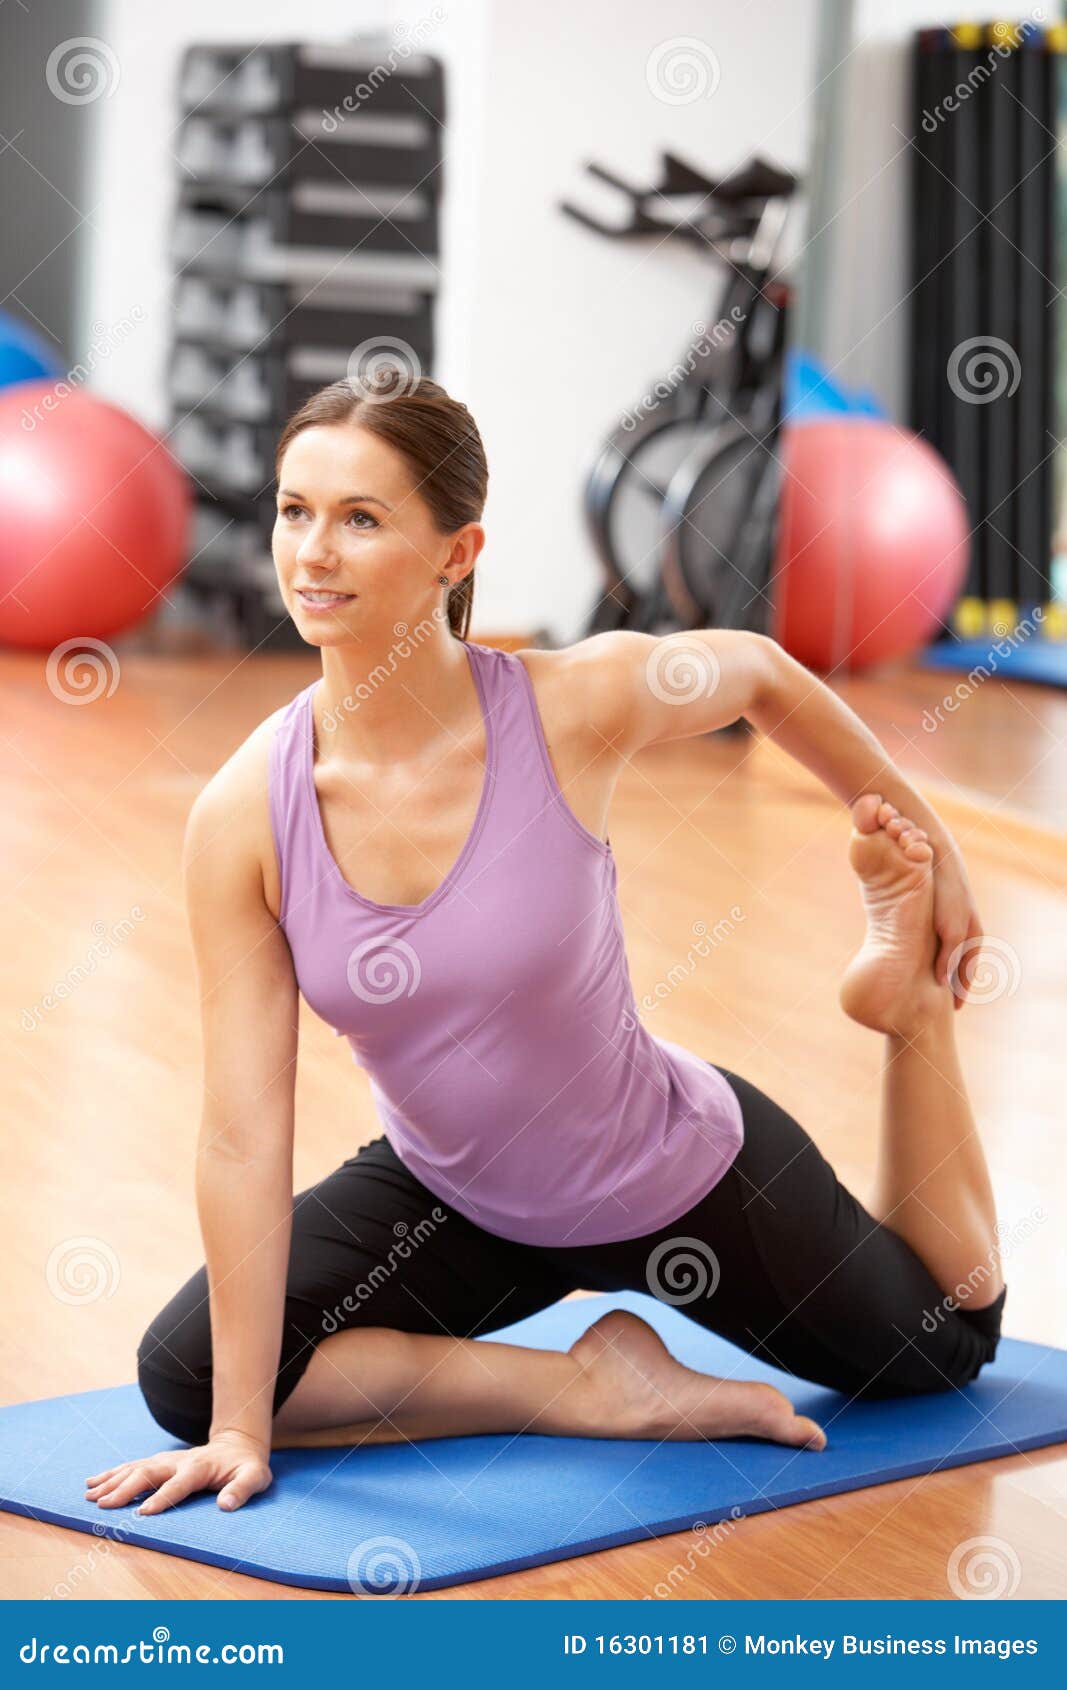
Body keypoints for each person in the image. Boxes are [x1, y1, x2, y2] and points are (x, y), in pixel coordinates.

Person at [84, 372, 1005, 1521]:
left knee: (945, 1344)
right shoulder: (245, 815)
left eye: (360, 518)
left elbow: (764, 675)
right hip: (452, 1195)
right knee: (194, 1375)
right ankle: (587, 1386)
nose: (312, 552)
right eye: (293, 509)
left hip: (675, 1179)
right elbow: (240, 1132)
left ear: (454, 552)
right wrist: (236, 1428)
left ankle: (905, 1014)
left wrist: (931, 848)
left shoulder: (573, 704)